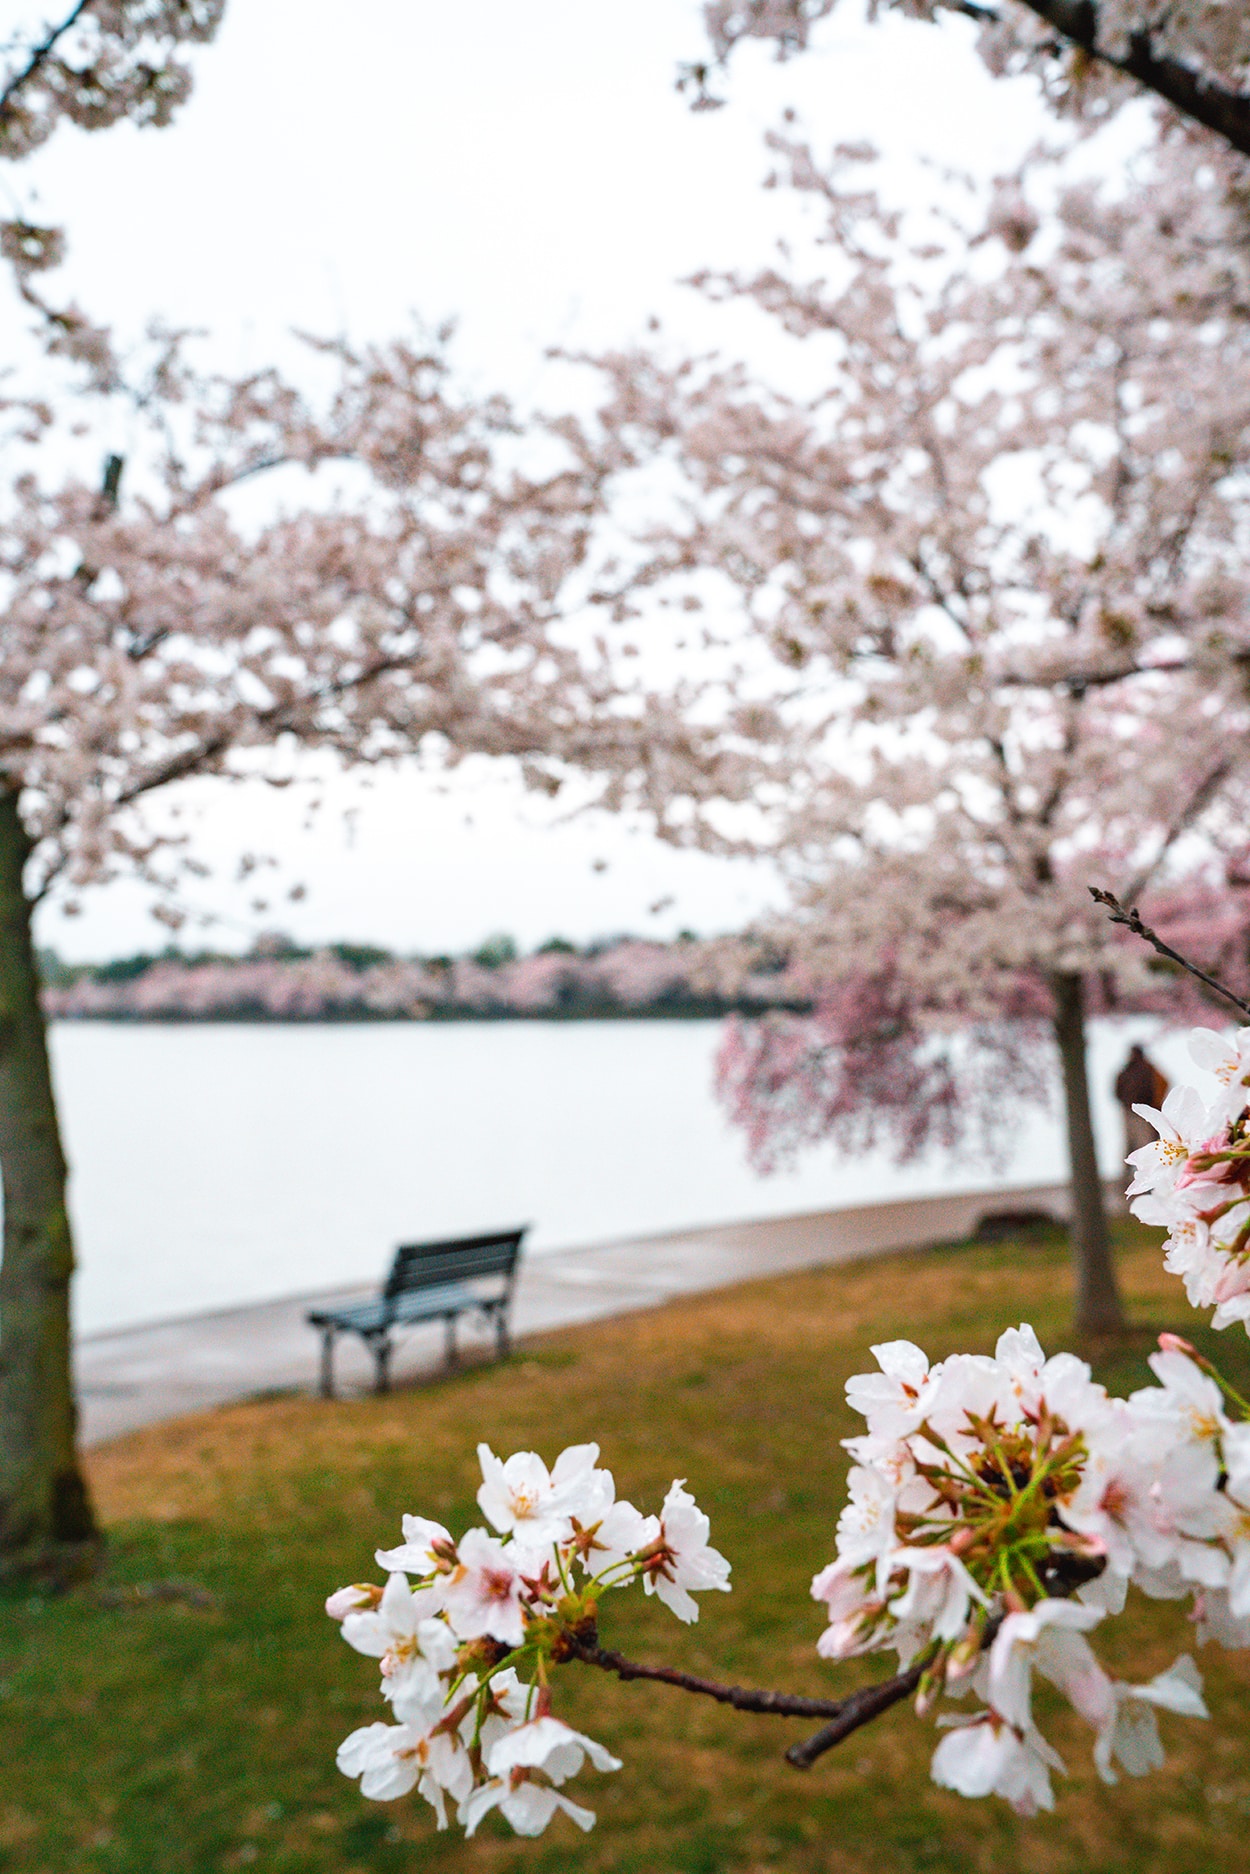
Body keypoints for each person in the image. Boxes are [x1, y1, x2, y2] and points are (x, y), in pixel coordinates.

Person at [1115, 1043, 1169, 1163]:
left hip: (1140, 1112)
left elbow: (1117, 1091)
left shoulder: (1129, 1070)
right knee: (1136, 1141)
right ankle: (1133, 1167)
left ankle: (1144, 1166)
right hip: (1134, 1111)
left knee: (1140, 1141)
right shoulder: (1145, 1069)